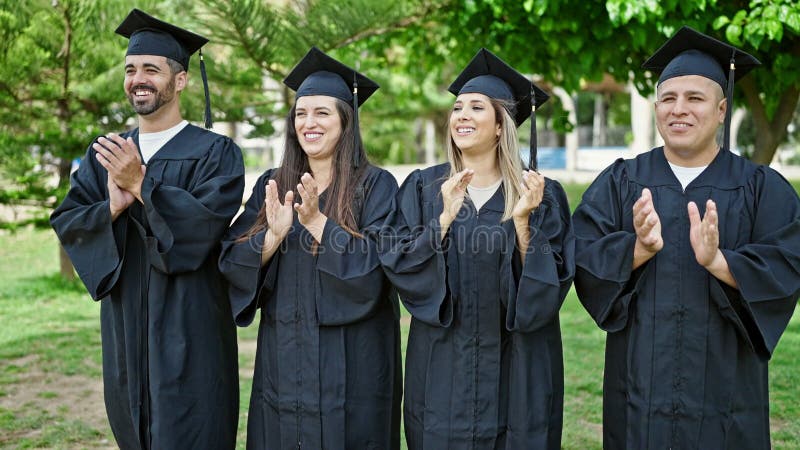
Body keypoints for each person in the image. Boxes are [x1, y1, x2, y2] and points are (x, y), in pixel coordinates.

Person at [572, 26, 800, 449]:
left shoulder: (761, 188)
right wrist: (637, 249)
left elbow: (787, 267)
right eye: (668, 98)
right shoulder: (622, 181)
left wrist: (719, 262)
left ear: (721, 110)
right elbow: (582, 257)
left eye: (695, 98)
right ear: (656, 107)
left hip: (727, 394)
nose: (679, 109)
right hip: (639, 390)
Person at [50, 9, 243, 449]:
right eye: (131, 69)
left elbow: (201, 230)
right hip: (125, 325)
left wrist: (140, 185)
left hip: (191, 323)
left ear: (180, 80)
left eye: (151, 70)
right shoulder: (106, 152)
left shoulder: (215, 153)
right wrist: (111, 209)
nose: (138, 79)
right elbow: (69, 222)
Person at [381, 48, 574, 449]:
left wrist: (522, 223)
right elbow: (401, 267)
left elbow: (549, 287)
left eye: (476, 107)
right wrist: (442, 220)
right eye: (457, 108)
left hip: (518, 367)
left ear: (502, 125)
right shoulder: (423, 188)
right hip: (442, 369)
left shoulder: (540, 194)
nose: (461, 116)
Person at [218, 47, 401, 449]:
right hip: (285, 361)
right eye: (300, 113)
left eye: (322, 113)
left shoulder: (376, 186)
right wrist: (272, 237)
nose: (308, 123)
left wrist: (318, 223)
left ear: (346, 122)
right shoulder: (273, 184)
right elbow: (231, 259)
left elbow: (379, 271)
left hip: (355, 363)